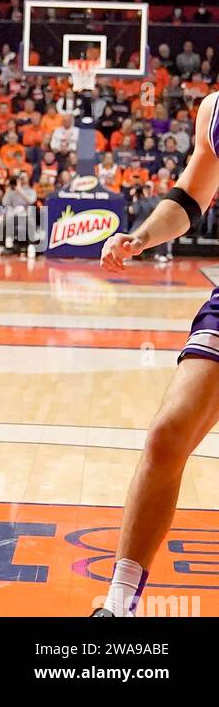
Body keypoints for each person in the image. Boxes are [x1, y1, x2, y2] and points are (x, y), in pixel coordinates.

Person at [92, 91, 219, 617]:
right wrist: (141, 237)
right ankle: (119, 606)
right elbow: (191, 197)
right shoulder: (215, 109)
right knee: (168, 436)